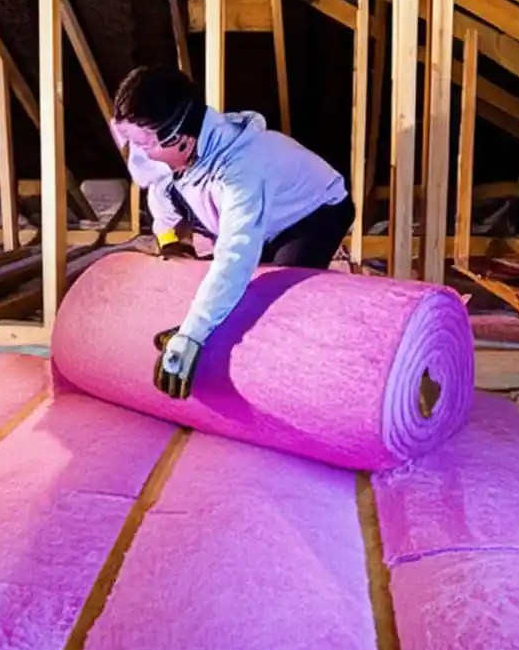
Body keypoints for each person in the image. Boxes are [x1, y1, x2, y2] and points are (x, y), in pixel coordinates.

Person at [109, 65, 355, 400]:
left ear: (181, 138)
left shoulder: (242, 171)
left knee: (272, 295)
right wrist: (169, 244)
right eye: (130, 140)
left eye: (144, 143)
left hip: (312, 213)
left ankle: (287, 384)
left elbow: (235, 257)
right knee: (225, 291)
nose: (138, 153)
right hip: (261, 212)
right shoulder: (173, 155)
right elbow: (161, 196)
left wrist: (192, 337)